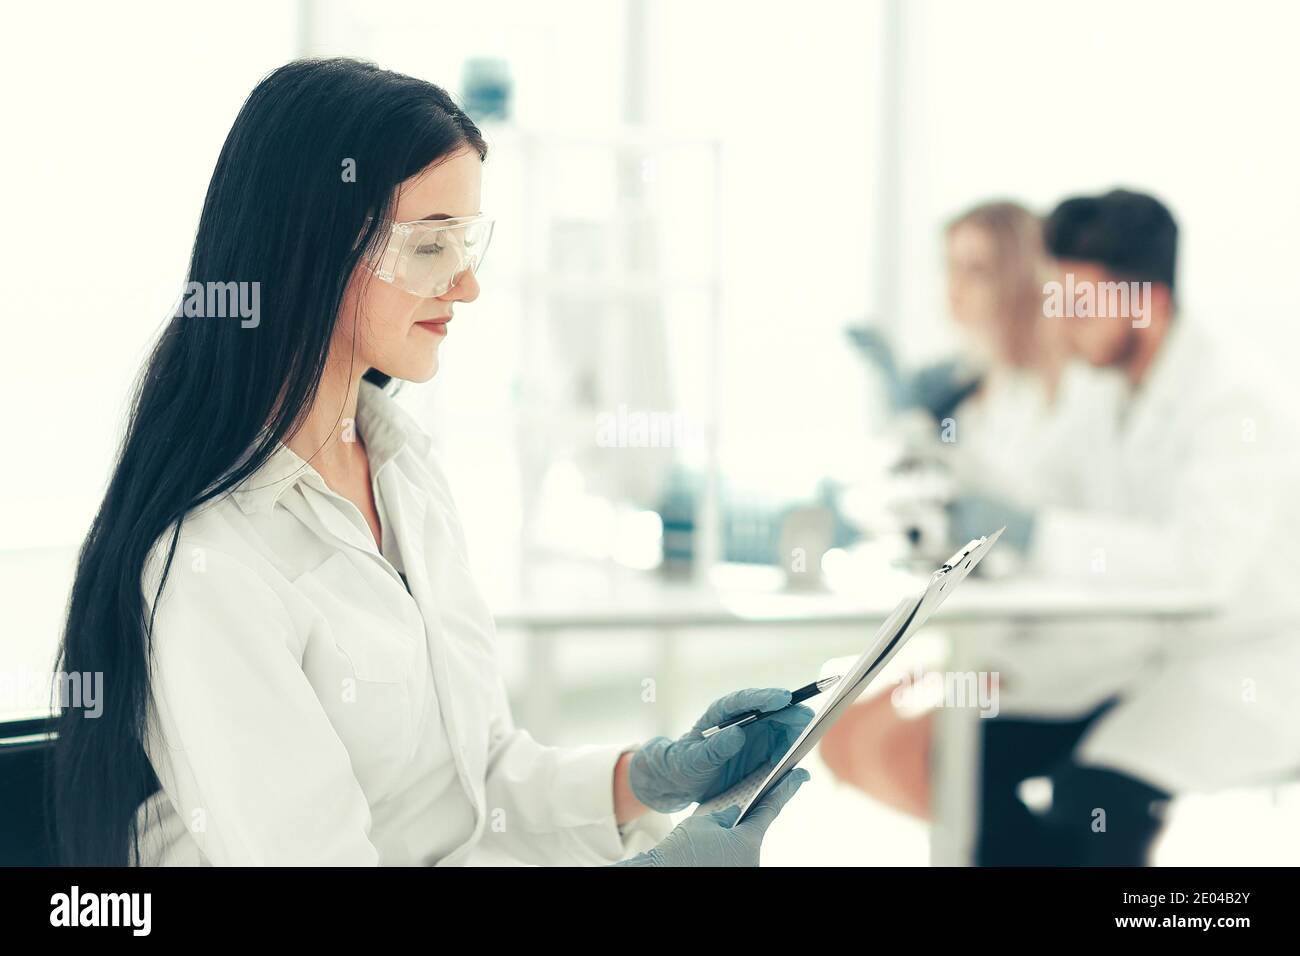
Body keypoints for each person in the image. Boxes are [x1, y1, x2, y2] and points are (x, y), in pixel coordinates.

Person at [52, 58, 811, 867]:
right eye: (430, 245)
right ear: (312, 246)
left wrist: (645, 779)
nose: (468, 284)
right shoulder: (211, 561)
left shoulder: (400, 466)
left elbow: (481, 781)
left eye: (468, 241)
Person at [826, 188, 1300, 864]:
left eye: (1082, 307)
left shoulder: (1235, 403)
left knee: (1097, 799)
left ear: (1150, 304)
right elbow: (1040, 490)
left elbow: (1200, 568)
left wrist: (1032, 532)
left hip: (1245, 665)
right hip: (1135, 657)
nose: (1063, 324)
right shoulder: (1101, 385)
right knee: (967, 759)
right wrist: (934, 451)